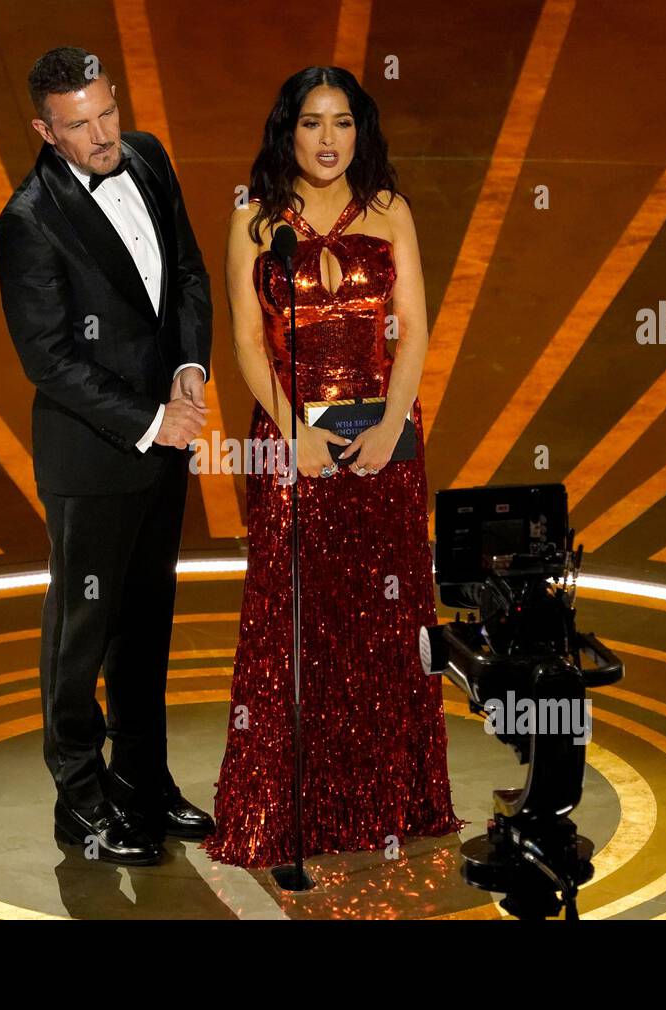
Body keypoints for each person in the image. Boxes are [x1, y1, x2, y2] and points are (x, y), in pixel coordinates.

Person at [201, 66, 463, 867]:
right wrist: (292, 433)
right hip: (291, 441)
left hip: (384, 441)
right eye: (312, 123)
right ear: (287, 130)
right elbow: (246, 341)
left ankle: (388, 803)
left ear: (361, 131)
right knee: (294, 622)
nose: (327, 140)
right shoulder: (253, 220)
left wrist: (390, 427)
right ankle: (288, 816)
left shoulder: (390, 213)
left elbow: (413, 329)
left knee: (382, 622)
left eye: (342, 123)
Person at [0, 46, 215, 866]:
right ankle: (81, 804)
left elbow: (187, 274)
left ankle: (145, 782)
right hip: (93, 460)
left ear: (117, 99)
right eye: (79, 126)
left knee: (148, 623)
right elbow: (49, 359)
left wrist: (191, 366)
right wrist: (155, 420)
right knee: (79, 636)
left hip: (164, 446)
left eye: (106, 114)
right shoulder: (28, 221)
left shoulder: (148, 158)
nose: (101, 137)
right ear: (44, 131)